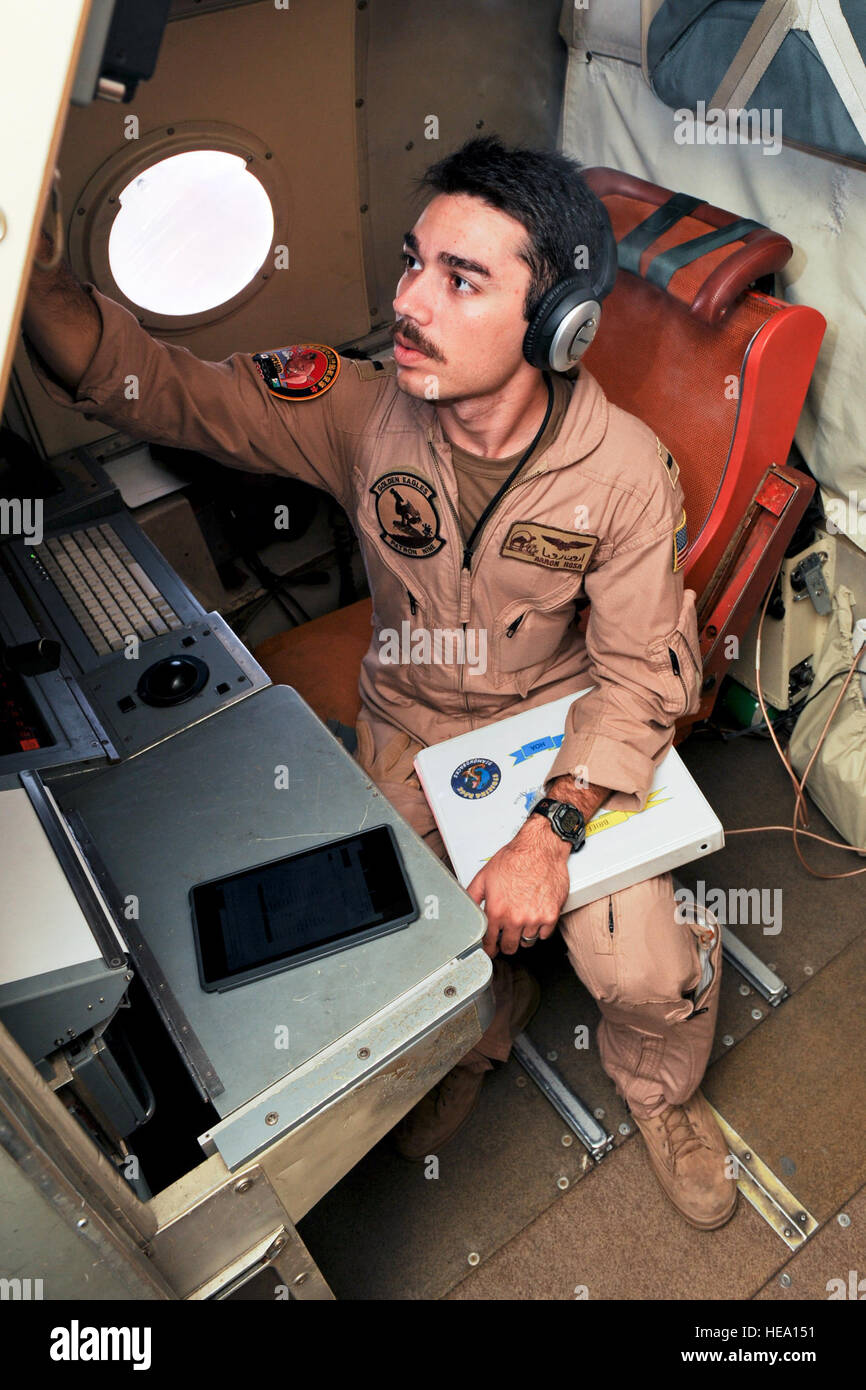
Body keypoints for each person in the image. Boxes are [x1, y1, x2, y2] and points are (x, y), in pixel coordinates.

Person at [22, 135, 735, 1230]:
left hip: (560, 733)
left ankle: (663, 1091)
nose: (408, 301)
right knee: (386, 957)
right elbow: (163, 392)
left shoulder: (625, 471)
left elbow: (641, 676)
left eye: (459, 280)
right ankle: (476, 1026)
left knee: (639, 970)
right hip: (408, 723)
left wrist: (544, 836)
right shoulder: (361, 407)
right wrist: (31, 272)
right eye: (412, 262)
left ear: (557, 324)